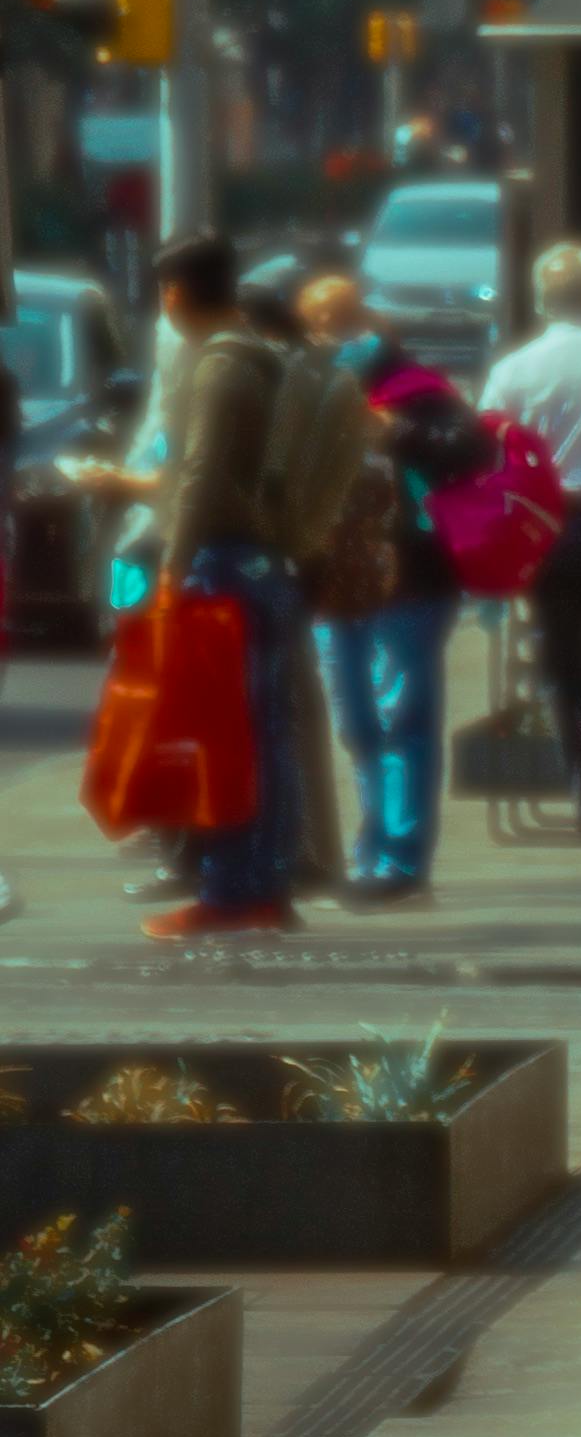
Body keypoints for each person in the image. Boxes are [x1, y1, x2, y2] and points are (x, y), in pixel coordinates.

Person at [135, 237, 366, 939]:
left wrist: (173, 564)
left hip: (222, 563)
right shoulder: (266, 360)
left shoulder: (219, 365)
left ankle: (231, 890)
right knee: (267, 733)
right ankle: (267, 886)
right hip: (267, 564)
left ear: (175, 293)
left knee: (223, 735)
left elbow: (201, 473)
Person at [298, 257, 479, 897]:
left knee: (400, 712)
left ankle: (400, 858)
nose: (332, 335)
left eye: (341, 321)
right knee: (356, 719)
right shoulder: (308, 388)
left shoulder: (417, 388)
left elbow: (470, 452)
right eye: (321, 324)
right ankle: (373, 846)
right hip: (334, 579)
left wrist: (396, 431)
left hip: (411, 576)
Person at [481, 242, 581, 842]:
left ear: (542, 300)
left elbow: (489, 454)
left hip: (547, 528)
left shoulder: (515, 369)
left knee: (566, 670)